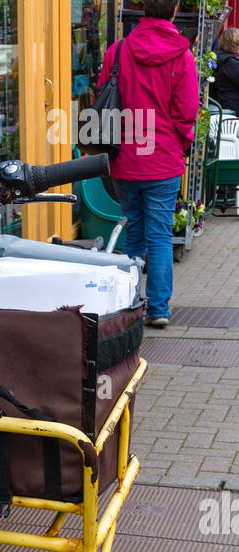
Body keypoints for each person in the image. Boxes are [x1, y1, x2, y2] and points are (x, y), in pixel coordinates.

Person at [97, 0, 198, 328]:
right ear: (174, 9)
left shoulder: (118, 51)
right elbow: (187, 111)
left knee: (135, 230)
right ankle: (158, 308)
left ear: (142, 8)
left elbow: (102, 97)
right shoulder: (181, 55)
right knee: (160, 233)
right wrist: (181, 144)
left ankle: (129, 303)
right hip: (163, 158)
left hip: (125, 158)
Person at [215, 28, 239, 118]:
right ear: (235, 43)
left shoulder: (222, 58)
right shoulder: (231, 62)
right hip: (234, 108)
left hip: (226, 103)